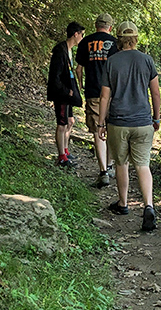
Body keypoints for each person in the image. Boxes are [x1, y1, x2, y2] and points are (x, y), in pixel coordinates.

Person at [97, 21, 161, 231]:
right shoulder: (147, 60)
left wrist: (101, 123)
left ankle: (123, 204)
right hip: (143, 121)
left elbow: (105, 96)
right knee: (143, 164)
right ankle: (149, 206)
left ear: (118, 39)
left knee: (121, 162)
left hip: (119, 122)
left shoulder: (112, 62)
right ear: (136, 39)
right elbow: (155, 92)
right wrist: (157, 118)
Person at [75, 13, 119, 186]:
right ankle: (109, 165)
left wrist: (81, 85)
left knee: (97, 130)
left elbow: (79, 69)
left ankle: (103, 172)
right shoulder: (116, 43)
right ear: (110, 27)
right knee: (111, 129)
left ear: (95, 26)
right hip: (113, 93)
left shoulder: (86, 42)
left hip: (93, 91)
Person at [47, 21, 85, 167]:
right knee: (62, 124)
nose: (82, 37)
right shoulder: (60, 51)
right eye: (81, 34)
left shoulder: (69, 50)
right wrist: (64, 90)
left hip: (68, 93)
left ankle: (65, 151)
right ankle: (61, 156)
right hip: (61, 94)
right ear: (75, 34)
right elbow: (54, 76)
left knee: (70, 121)